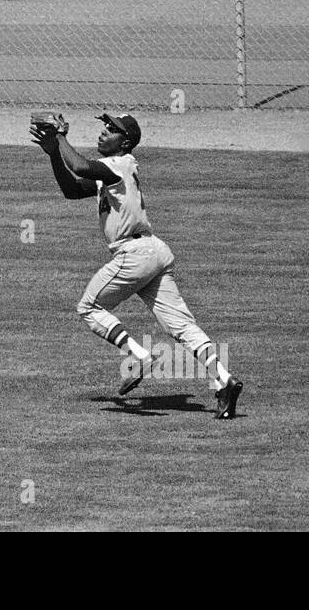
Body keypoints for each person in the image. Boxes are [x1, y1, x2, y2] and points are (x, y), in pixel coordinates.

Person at [29, 111, 243, 420]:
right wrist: (53, 154)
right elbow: (72, 188)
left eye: (111, 130)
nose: (103, 132)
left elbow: (79, 165)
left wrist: (61, 137)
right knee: (183, 327)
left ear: (125, 141)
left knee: (89, 307)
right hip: (154, 252)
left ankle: (138, 354)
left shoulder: (119, 164)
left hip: (134, 254)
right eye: (104, 127)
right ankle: (224, 380)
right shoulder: (115, 172)